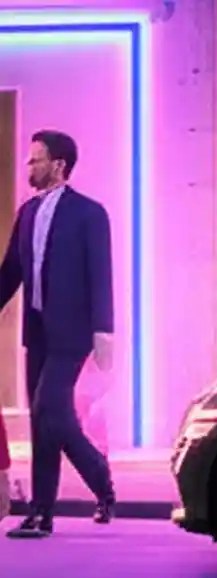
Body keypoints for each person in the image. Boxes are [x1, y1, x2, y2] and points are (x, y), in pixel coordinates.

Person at [0, 130, 115, 538]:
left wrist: (105, 330)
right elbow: (11, 271)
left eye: (35, 160)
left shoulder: (89, 213)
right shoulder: (28, 212)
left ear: (59, 165)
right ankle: (42, 512)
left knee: (52, 409)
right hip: (39, 334)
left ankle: (100, 477)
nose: (29, 167)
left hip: (73, 333)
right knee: (40, 419)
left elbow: (101, 275)